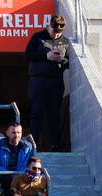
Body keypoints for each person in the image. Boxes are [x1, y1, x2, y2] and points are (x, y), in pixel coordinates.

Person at [24, 13, 69, 152]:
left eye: (58, 33)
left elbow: (69, 62)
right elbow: (28, 54)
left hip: (56, 82)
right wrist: (46, 56)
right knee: (37, 113)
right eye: (54, 32)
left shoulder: (65, 41)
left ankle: (54, 145)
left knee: (54, 114)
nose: (55, 35)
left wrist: (61, 60)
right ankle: (33, 144)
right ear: (49, 26)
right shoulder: (38, 37)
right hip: (38, 81)